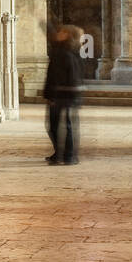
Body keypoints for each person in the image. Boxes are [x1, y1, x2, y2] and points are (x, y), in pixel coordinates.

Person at [42, 24, 85, 165]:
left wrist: (54, 95)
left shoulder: (67, 53)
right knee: (55, 126)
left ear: (67, 35)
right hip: (59, 95)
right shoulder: (60, 50)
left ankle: (69, 156)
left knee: (64, 126)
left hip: (63, 96)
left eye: (61, 32)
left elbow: (66, 77)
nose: (58, 33)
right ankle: (60, 154)